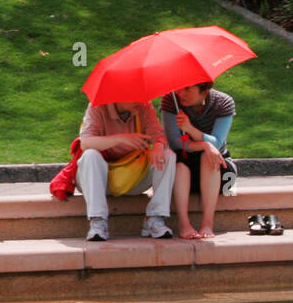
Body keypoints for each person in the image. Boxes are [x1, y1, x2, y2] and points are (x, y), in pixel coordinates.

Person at [76, 100, 176, 241]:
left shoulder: (144, 106)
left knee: (168, 155)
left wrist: (159, 145)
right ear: (118, 96)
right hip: (100, 180)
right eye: (134, 96)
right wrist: (120, 139)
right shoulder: (97, 106)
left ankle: (155, 219)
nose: (139, 100)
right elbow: (85, 143)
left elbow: (158, 135)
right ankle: (98, 222)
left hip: (134, 177)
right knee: (90, 155)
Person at [161, 82, 237, 239]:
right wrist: (204, 144)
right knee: (180, 166)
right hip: (183, 166)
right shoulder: (171, 100)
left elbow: (217, 143)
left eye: (187, 88)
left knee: (208, 157)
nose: (181, 93)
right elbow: (175, 142)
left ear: (205, 91)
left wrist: (190, 129)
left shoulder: (223, 103)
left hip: (220, 171)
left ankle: (207, 223)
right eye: (180, 87)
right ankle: (184, 224)